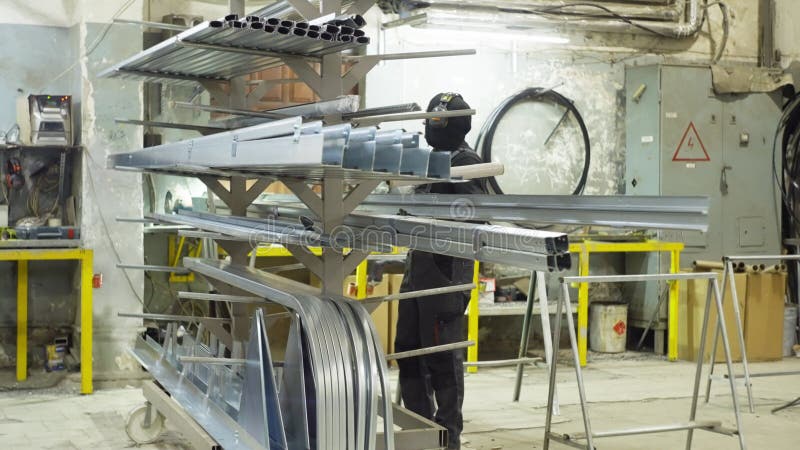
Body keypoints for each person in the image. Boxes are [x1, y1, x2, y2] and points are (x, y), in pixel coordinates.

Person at [394, 93, 488, 449]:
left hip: (446, 271)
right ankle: (420, 429)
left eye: (437, 122)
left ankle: (448, 438)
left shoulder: (467, 162)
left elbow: (477, 215)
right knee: (408, 348)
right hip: (418, 265)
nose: (431, 128)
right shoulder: (431, 160)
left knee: (442, 357)